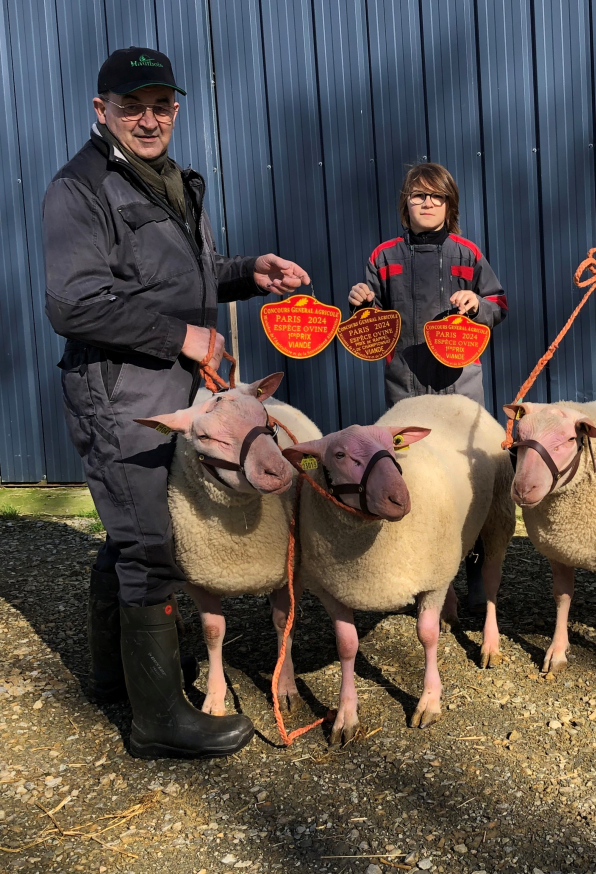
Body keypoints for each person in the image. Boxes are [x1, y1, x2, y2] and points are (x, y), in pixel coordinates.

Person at [42, 47, 311, 760]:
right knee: (149, 547)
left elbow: (178, 278)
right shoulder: (80, 189)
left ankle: (112, 678)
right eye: (133, 106)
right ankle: (157, 717)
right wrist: (181, 336)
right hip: (121, 395)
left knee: (132, 531)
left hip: (172, 386)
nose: (150, 118)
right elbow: (72, 304)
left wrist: (248, 273)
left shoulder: (172, 181)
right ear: (101, 111)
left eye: (162, 104)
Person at [348, 163, 507, 607]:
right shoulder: (383, 257)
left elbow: (499, 301)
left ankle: (475, 564)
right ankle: (429, 574)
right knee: (415, 475)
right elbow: (371, 320)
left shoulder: (468, 255)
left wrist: (478, 303)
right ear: (406, 204)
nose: (427, 203)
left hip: (460, 388)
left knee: (469, 476)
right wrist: (360, 301)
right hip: (406, 385)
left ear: (449, 205)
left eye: (436, 197)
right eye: (419, 196)